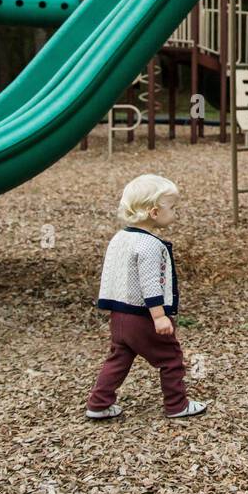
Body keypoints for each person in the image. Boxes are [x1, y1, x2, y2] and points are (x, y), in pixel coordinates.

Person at [86, 174, 207, 419]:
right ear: (153, 212)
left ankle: (98, 404)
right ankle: (177, 405)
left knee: (119, 358)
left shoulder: (120, 238)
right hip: (144, 316)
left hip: (120, 314)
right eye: (172, 208)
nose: (176, 213)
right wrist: (159, 316)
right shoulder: (151, 246)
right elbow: (151, 283)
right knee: (171, 358)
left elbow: (113, 274)